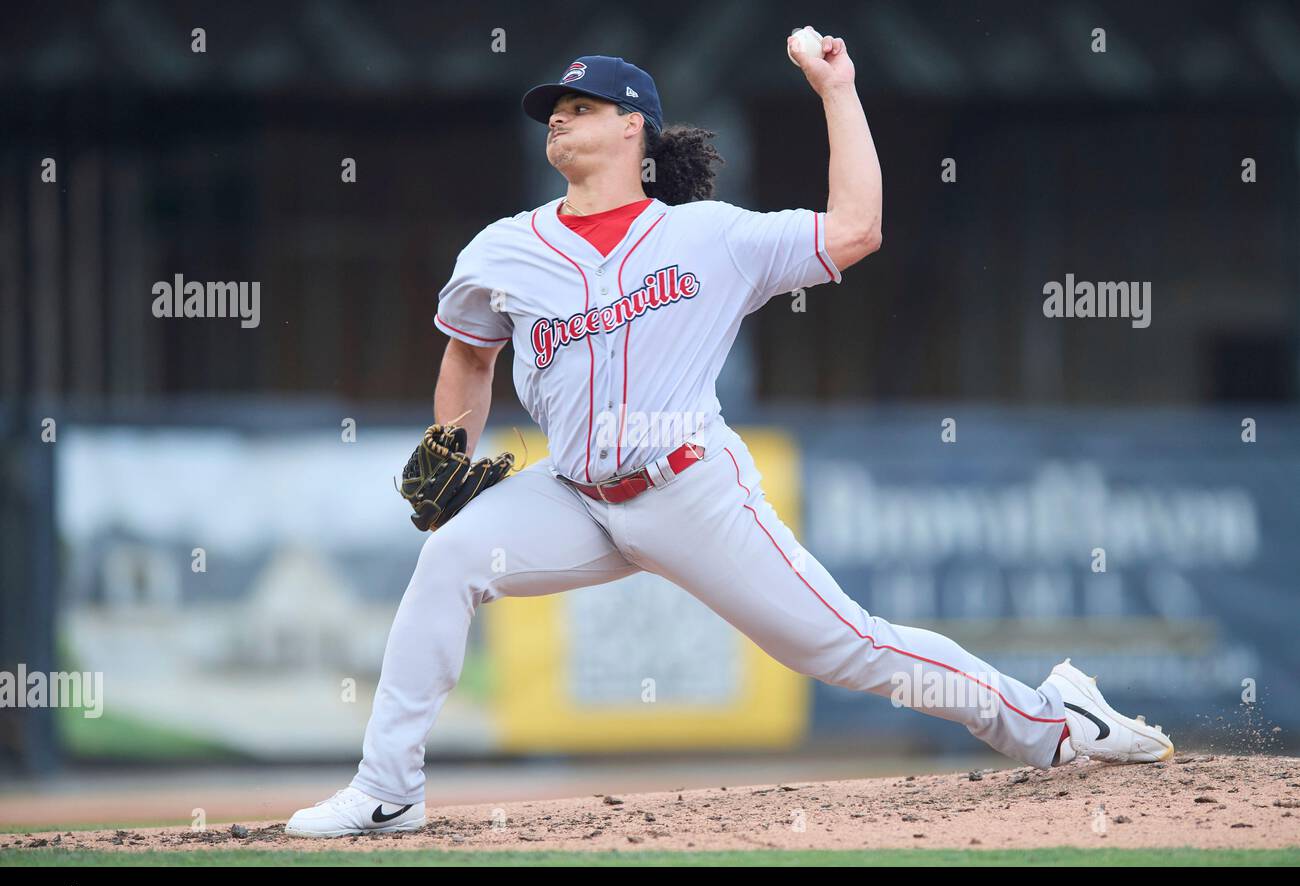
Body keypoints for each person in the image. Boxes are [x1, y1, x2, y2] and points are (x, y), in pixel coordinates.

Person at [287, 35, 1173, 838]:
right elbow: (470, 355)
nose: (559, 116)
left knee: (848, 649)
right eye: (554, 109)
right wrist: (450, 443)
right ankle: (388, 788)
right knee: (447, 561)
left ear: (635, 129)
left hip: (690, 490)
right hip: (572, 493)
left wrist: (837, 90)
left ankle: (1054, 718)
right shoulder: (503, 250)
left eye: (582, 106)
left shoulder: (709, 236)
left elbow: (856, 230)